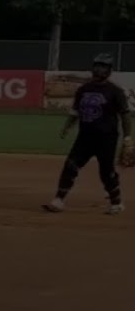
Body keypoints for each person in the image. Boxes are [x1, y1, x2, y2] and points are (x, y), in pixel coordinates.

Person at [44, 52, 134, 214]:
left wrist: (127, 137)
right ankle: (58, 200)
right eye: (97, 66)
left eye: (103, 67)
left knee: (106, 171)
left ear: (109, 70)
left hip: (107, 138)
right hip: (85, 137)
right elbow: (75, 111)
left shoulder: (115, 91)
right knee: (70, 165)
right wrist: (67, 127)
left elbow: (125, 114)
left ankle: (116, 202)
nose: (99, 69)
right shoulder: (84, 89)